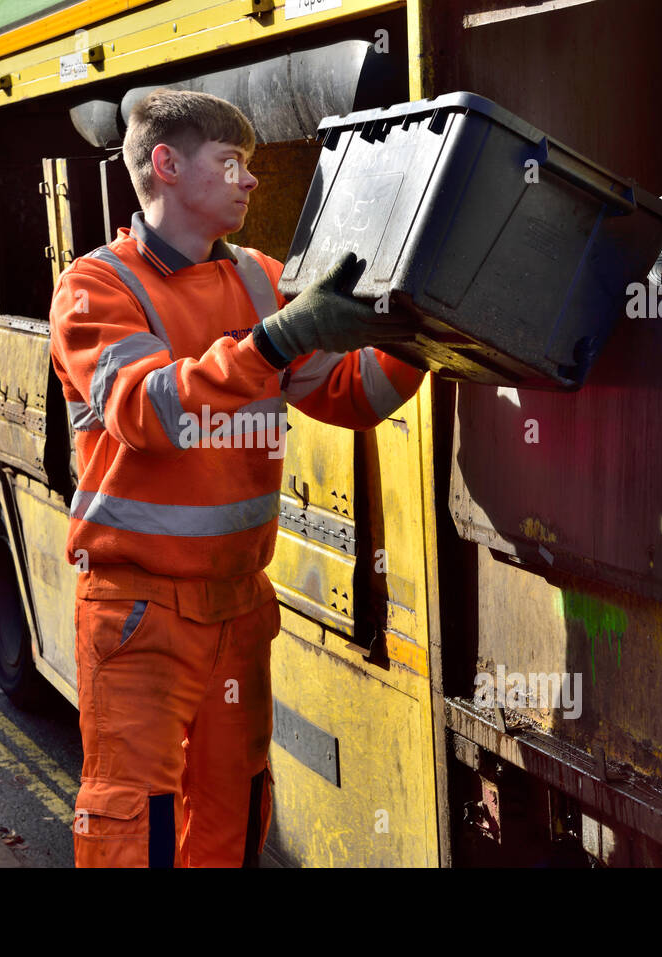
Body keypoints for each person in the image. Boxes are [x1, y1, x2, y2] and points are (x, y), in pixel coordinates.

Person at [48, 89, 425, 866]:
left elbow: (350, 395)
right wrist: (275, 338)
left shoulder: (258, 277)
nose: (252, 182)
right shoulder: (96, 287)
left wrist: (419, 339)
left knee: (233, 814)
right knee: (135, 826)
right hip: (138, 609)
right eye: (233, 164)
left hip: (240, 607)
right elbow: (148, 411)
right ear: (166, 164)